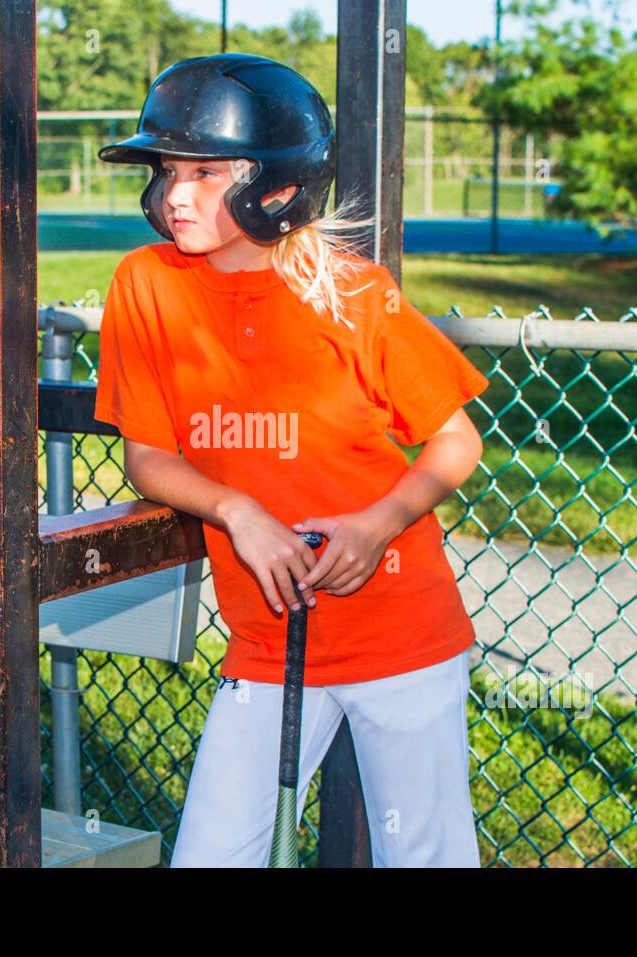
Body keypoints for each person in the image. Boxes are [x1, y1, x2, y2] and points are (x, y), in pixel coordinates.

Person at [93, 53, 489, 867]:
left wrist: (378, 525)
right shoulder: (145, 286)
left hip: (399, 627)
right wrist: (238, 511)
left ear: (276, 186)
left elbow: (457, 438)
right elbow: (148, 455)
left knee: (425, 856)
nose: (175, 193)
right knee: (210, 854)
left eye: (205, 172)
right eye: (167, 170)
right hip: (269, 637)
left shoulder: (351, 292)